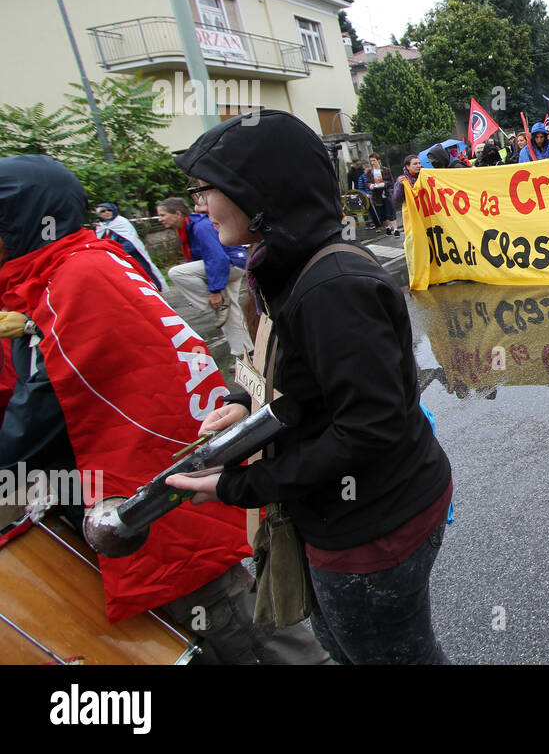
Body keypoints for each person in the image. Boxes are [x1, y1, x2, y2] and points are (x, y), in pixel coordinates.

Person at [0, 155, 328, 663]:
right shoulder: (86, 261)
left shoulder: (72, 279)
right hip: (168, 482)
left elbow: (37, 420)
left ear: (17, 220)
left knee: (256, 640)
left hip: (153, 503)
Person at [165, 110, 455, 665]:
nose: (200, 204)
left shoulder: (331, 285)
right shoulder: (283, 264)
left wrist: (241, 488)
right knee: (349, 649)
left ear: (261, 190)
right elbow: (293, 373)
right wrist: (240, 403)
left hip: (373, 524)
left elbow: (369, 427)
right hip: (339, 515)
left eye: (209, 189)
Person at [157, 195, 252, 360]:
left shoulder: (200, 227)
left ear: (177, 214)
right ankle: (246, 354)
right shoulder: (186, 228)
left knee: (177, 273)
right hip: (229, 264)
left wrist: (214, 291)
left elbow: (217, 258)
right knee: (229, 314)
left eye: (163, 214)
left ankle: (217, 303)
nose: (160, 219)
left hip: (229, 264)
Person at [94, 202, 167, 288]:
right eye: (103, 211)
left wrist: (118, 252)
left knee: (144, 274)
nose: (107, 212)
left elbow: (130, 242)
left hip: (132, 256)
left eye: (109, 210)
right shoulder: (100, 226)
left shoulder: (121, 222)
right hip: (113, 258)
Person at [363, 155, 399, 237]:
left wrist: (384, 184)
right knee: (381, 212)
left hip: (385, 193)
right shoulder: (370, 172)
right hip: (376, 195)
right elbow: (367, 182)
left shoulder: (385, 170)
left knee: (390, 210)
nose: (372, 163)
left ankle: (396, 229)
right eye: (371, 161)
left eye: (374, 160)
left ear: (378, 160)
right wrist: (370, 185)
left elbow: (390, 181)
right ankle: (387, 227)